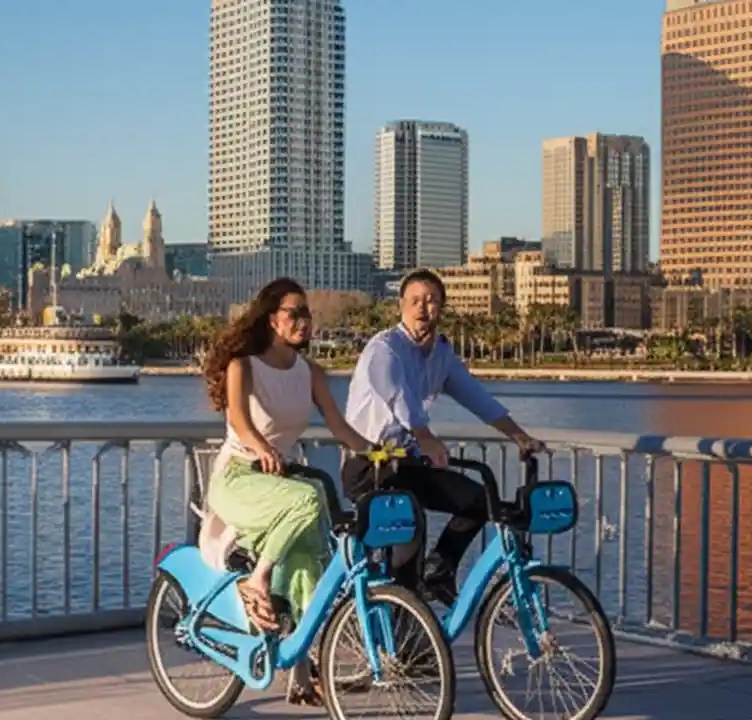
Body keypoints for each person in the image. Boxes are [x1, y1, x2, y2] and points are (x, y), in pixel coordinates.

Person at [202, 277, 371, 705]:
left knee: (309, 567)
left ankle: (300, 675)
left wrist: (377, 452)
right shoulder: (243, 366)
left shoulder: (308, 372)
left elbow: (338, 425)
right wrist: (262, 448)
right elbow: (240, 421)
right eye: (293, 313)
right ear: (272, 320)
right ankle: (257, 580)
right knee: (309, 497)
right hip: (239, 478)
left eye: (306, 313)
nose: (303, 321)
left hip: (280, 481)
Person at [341, 269, 546, 605]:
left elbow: (476, 397)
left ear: (442, 307)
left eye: (432, 300)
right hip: (369, 464)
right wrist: (424, 436)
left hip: (408, 461)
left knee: (479, 500)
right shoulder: (384, 349)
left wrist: (519, 436)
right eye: (415, 301)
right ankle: (404, 621)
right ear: (401, 306)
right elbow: (397, 396)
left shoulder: (441, 355)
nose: (423, 308)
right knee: (410, 524)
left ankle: (440, 570)